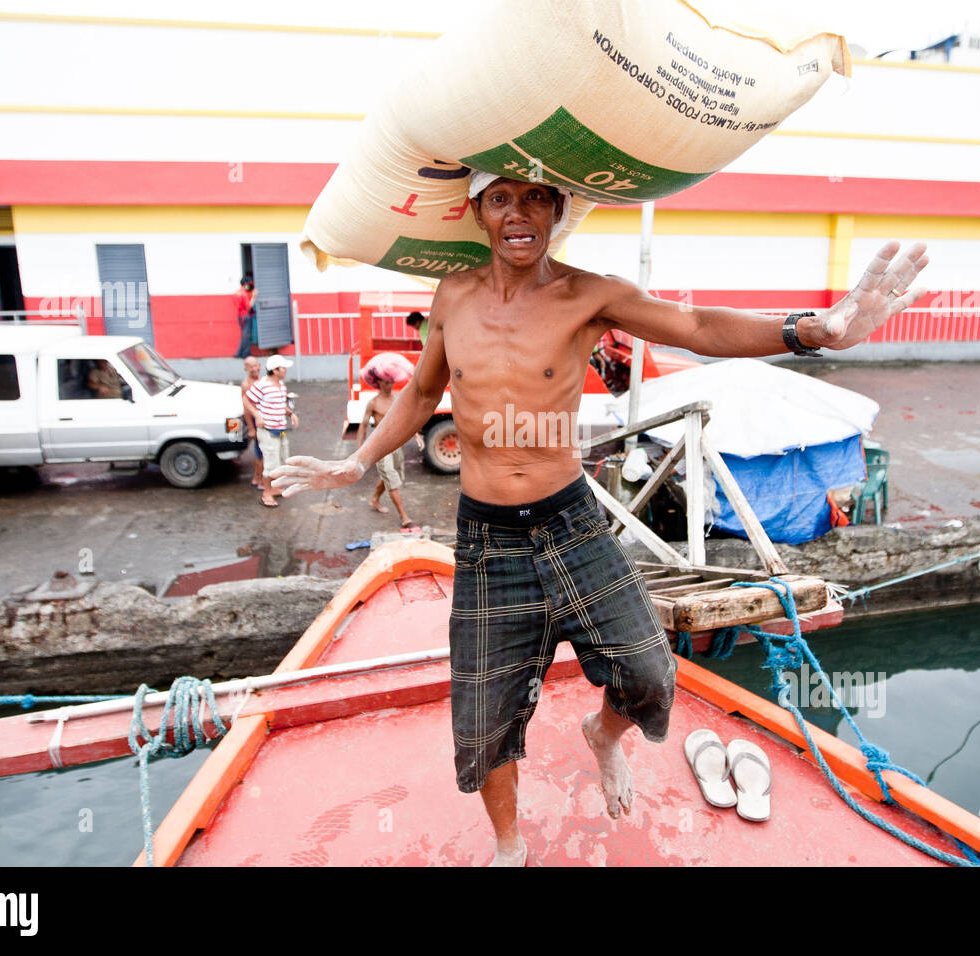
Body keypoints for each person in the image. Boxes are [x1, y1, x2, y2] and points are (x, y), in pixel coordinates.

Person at [269, 171, 928, 866]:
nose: (517, 214)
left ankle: (603, 735)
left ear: (557, 209)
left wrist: (812, 330)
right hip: (487, 535)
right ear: (478, 212)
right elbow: (423, 390)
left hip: (571, 521)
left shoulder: (590, 295)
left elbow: (697, 326)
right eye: (500, 199)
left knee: (648, 674)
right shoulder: (453, 295)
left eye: (534, 198)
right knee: (484, 714)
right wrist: (357, 462)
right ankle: (509, 843)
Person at [356, 371, 421, 527]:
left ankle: (374, 499)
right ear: (378, 383)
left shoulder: (398, 398)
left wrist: (417, 435)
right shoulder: (373, 403)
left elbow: (407, 418)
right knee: (391, 479)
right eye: (385, 382)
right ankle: (404, 516)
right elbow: (363, 425)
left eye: (390, 381)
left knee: (390, 476)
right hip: (381, 446)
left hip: (397, 444)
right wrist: (359, 452)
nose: (389, 385)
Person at [245, 354, 297, 507]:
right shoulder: (262, 384)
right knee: (271, 464)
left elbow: (279, 405)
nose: (285, 370)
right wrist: (257, 416)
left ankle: (274, 489)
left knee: (282, 461)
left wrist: (290, 414)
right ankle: (266, 494)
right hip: (267, 431)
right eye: (283, 368)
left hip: (280, 429)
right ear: (274, 370)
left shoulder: (281, 386)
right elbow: (247, 400)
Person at [240, 355, 266, 491]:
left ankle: (256, 477)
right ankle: (261, 480)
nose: (254, 369)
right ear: (246, 369)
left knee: (261, 450)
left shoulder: (262, 380)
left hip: (264, 419)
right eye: (250, 367)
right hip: (256, 421)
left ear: (260, 365)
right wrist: (251, 427)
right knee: (260, 452)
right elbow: (247, 409)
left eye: (256, 365)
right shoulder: (246, 385)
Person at [234, 275, 257, 360]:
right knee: (246, 335)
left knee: (244, 334)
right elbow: (249, 307)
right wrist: (254, 297)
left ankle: (239, 353)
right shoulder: (244, 294)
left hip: (240, 316)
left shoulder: (237, 292)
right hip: (246, 315)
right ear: (246, 283)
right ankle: (245, 354)